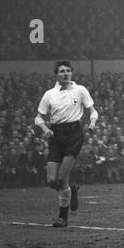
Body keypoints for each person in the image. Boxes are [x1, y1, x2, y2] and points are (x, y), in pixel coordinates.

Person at [34, 60, 97, 228]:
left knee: (62, 178)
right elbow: (38, 117)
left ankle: (63, 218)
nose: (66, 73)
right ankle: (72, 190)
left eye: (68, 70)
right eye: (62, 71)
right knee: (52, 181)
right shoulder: (49, 95)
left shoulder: (80, 90)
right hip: (56, 135)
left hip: (74, 134)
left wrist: (92, 123)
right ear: (56, 74)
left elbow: (93, 110)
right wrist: (44, 128)